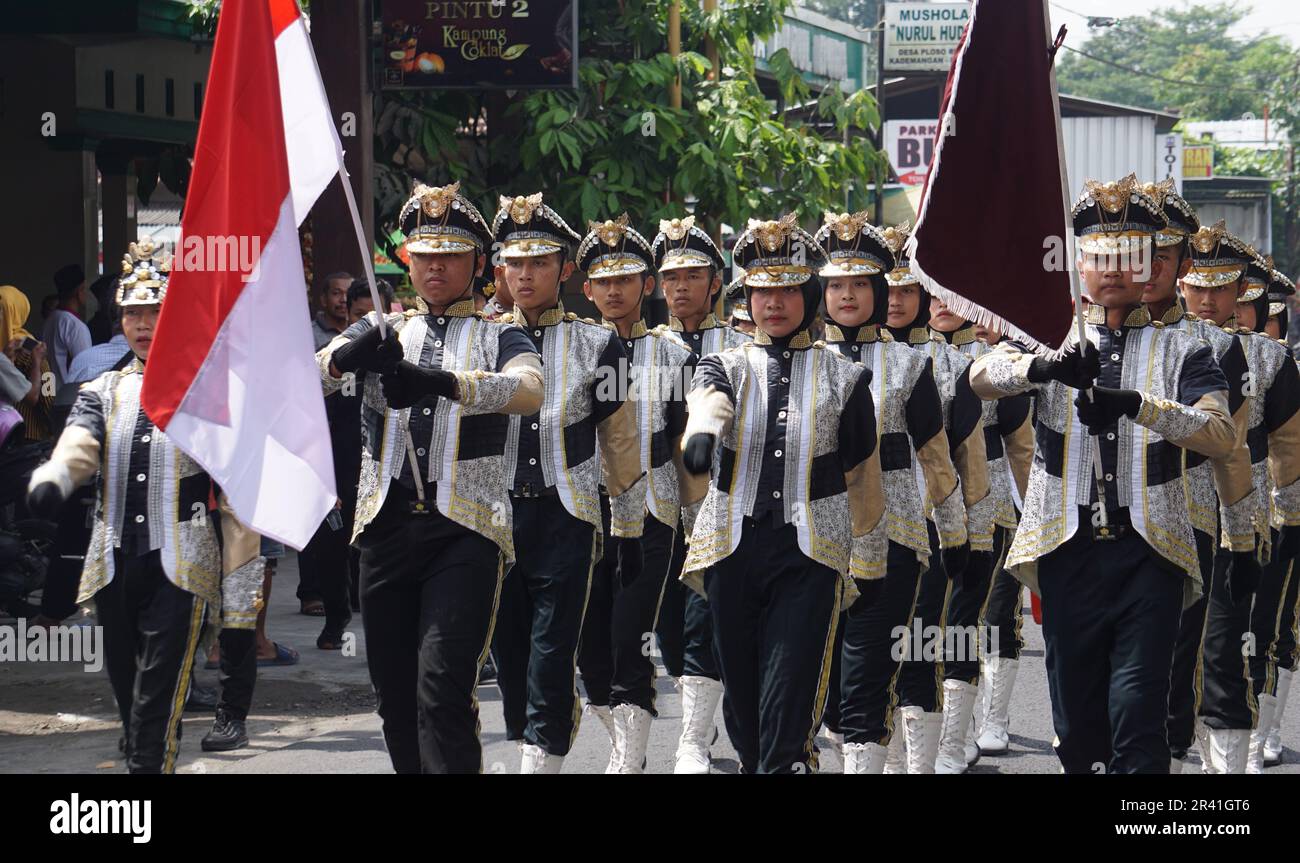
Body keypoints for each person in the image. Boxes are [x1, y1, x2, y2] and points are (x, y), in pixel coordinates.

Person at [970, 174, 1236, 773]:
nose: (1114, 268)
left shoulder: (1187, 344)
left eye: (1129, 255)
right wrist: (1043, 367)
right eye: (1100, 256)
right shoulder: (1049, 330)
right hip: (1066, 548)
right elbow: (979, 378)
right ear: (1079, 265)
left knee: (1137, 716)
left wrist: (1137, 404)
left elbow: (1221, 434)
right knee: (1077, 726)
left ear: (1149, 267)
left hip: (1151, 552)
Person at [316, 181, 544, 774]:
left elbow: (529, 391)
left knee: (442, 689)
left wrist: (441, 383)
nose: (434, 266)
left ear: (478, 264)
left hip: (465, 531)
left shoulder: (502, 333)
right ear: (406, 261)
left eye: (450, 254)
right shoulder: (384, 330)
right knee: (394, 699)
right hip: (385, 528)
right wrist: (346, 355)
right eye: (423, 254)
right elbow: (305, 381)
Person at [25, 240, 264, 773]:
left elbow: (235, 489)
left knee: (158, 698)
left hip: (182, 564)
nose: (142, 324)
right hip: (112, 563)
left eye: (154, 311)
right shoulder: (102, 388)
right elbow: (81, 442)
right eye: (132, 312)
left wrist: (243, 582)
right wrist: (55, 477)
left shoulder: (209, 390)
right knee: (128, 695)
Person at [678, 212, 885, 773]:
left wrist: (867, 558)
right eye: (762, 291)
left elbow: (862, 470)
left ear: (808, 295)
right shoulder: (721, 362)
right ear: (746, 298)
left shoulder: (847, 376)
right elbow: (709, 402)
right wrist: (701, 438)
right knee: (742, 700)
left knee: (789, 691)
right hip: (731, 548)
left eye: (789, 289)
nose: (774, 303)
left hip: (810, 555)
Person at [810, 211, 967, 774]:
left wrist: (954, 534)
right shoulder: (802, 362)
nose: (846, 295)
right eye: (834, 284)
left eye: (859, 284)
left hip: (896, 536)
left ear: (879, 291)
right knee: (820, 682)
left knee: (871, 671)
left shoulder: (910, 363)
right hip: (813, 540)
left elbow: (936, 455)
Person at [488, 191, 640, 774]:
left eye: (540, 263)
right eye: (515, 264)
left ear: (565, 270)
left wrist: (626, 532)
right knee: (509, 654)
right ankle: (547, 726)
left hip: (569, 517)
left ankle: (539, 762)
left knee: (552, 655)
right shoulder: (481, 339)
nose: (525, 276)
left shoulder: (601, 343)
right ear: (499, 268)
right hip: (495, 519)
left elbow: (619, 440)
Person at [1139, 191, 1258, 773]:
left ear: (1183, 264)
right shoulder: (1084, 333)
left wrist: (1242, 538)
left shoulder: (1215, 347)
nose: (1151, 266)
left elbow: (1230, 453)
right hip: (1097, 523)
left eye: (1165, 253)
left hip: (1187, 524)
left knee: (1177, 662)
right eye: (1140, 251)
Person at [573, 215, 692, 772]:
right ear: (587, 287)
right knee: (588, 647)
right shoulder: (572, 350)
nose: (614, 291)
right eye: (603, 280)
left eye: (627, 279)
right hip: (583, 510)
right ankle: (625, 745)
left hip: (654, 510)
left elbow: (686, 443)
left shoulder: (674, 357)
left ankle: (630, 757)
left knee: (630, 637)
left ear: (647, 285)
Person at [878, 222, 991, 773]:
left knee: (932, 636)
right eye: (889, 289)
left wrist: (968, 532)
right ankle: (886, 751)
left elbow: (970, 460)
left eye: (907, 291)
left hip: (941, 524)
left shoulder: (953, 365)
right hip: (859, 525)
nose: (896, 301)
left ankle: (937, 751)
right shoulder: (846, 357)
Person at [649, 214, 750, 773]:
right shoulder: (644, 348)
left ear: (716, 281)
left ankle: (694, 739)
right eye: (671, 277)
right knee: (667, 623)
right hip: (658, 506)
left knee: (706, 617)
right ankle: (699, 727)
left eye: (693, 274)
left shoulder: (739, 346)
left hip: (724, 502)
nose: (680, 287)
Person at [927, 295, 1033, 773]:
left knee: (979, 617)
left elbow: (1022, 448)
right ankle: (944, 727)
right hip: (921, 508)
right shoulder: (909, 361)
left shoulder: (996, 366)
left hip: (988, 509)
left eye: (952, 297)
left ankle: (974, 728)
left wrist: (1033, 518)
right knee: (925, 623)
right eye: (931, 295)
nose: (940, 305)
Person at [1, 285, 53, 442]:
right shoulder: (33, 350)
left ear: (13, 313)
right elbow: (49, 393)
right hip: (27, 436)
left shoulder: (23, 349)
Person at [41, 264, 92, 390]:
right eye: (85, 289)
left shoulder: (50, 319)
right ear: (79, 290)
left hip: (50, 392)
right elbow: (85, 368)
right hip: (69, 398)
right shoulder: (74, 325)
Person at [311, 272, 353, 351]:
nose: (344, 299)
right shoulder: (310, 334)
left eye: (349, 293)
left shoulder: (361, 330)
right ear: (324, 300)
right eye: (336, 293)